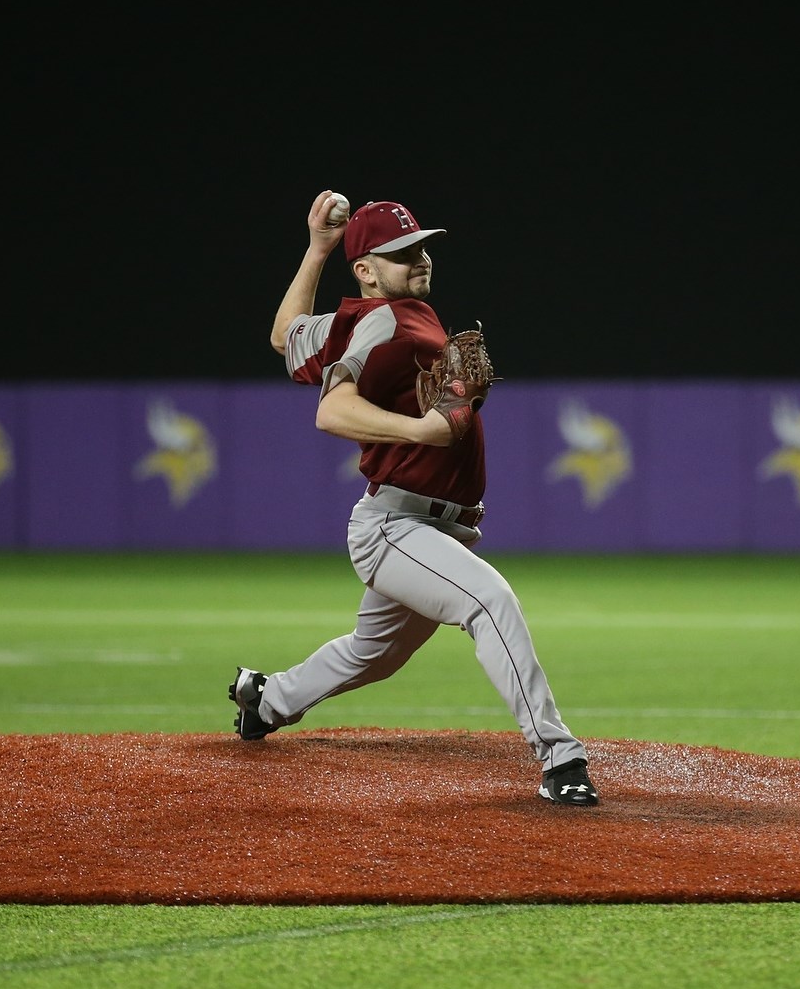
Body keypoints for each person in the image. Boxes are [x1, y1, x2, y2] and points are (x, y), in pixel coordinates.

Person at [228, 191, 599, 807]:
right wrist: (419, 429)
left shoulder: (365, 318)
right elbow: (332, 410)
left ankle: (264, 701)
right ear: (367, 270)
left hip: (432, 527)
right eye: (401, 252)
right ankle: (560, 758)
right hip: (395, 526)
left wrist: (316, 249)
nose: (420, 257)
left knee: (371, 656)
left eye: (421, 246)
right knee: (491, 601)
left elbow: (283, 336)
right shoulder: (384, 321)